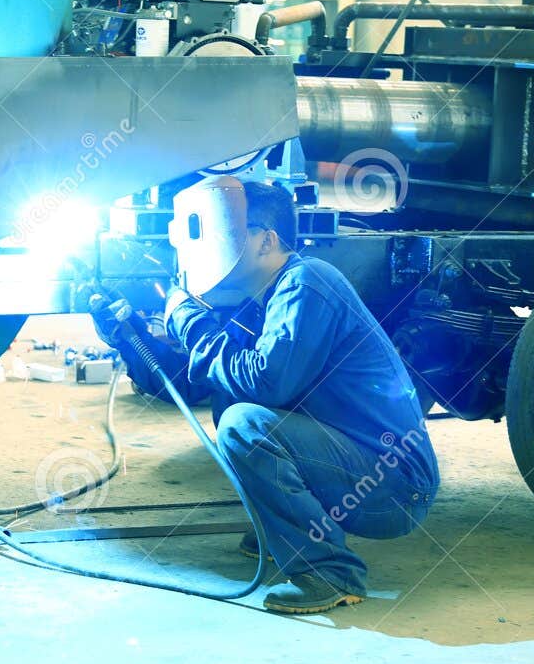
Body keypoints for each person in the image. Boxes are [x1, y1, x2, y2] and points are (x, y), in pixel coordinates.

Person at [93, 177, 438, 614]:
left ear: (265, 240)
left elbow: (267, 382)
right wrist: (129, 338)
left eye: (228, 232)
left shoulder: (308, 281)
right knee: (230, 397)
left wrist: (191, 323)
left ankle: (331, 573)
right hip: (359, 467)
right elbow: (193, 383)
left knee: (244, 423)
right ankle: (284, 530)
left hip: (395, 488)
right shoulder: (255, 298)